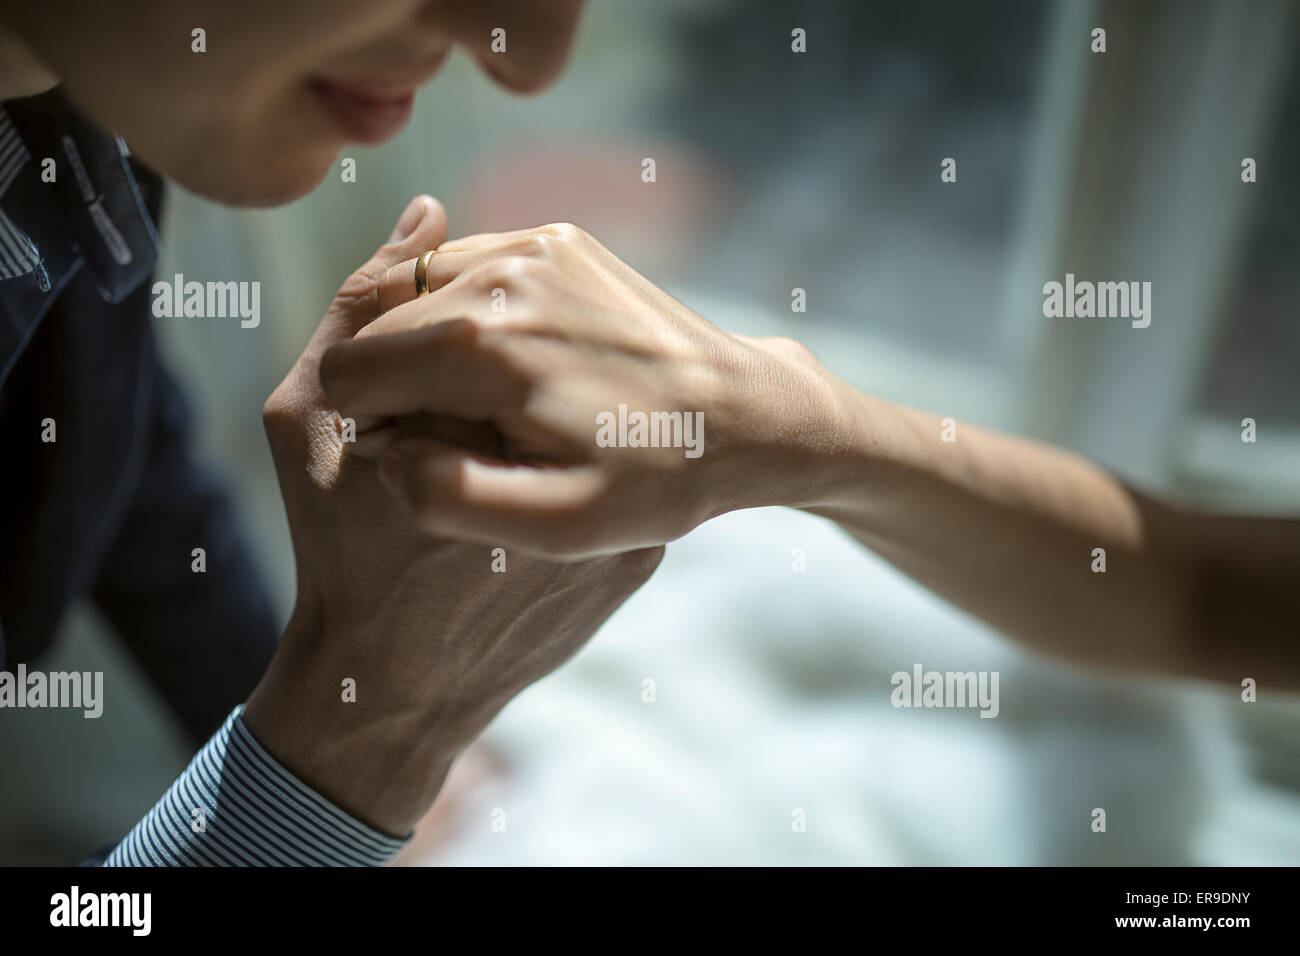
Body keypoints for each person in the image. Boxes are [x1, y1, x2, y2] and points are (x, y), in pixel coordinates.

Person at [0, 0, 665, 867]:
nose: (529, 57)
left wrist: (295, 713)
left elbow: (103, 433)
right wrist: (358, 750)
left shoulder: (78, 115)